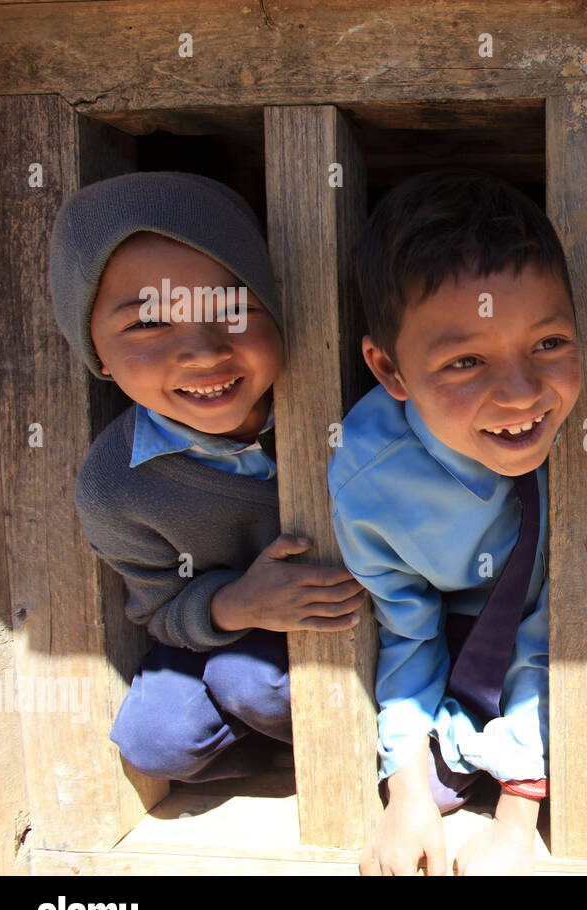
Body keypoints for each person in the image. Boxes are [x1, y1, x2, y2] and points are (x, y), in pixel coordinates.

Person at [49, 172, 364, 782]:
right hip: (233, 626)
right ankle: (278, 754)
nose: (201, 349)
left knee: (250, 682)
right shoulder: (116, 486)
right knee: (155, 741)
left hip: (362, 624)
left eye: (230, 307)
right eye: (147, 323)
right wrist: (236, 603)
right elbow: (162, 606)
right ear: (95, 352)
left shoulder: (352, 404)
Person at [329, 170, 581, 875]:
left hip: (555, 639)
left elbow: (551, 627)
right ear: (389, 370)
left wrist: (517, 816)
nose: (523, 393)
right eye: (466, 360)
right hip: (456, 634)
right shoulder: (369, 483)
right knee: (434, 787)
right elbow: (406, 630)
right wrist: (402, 795)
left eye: (550, 344)